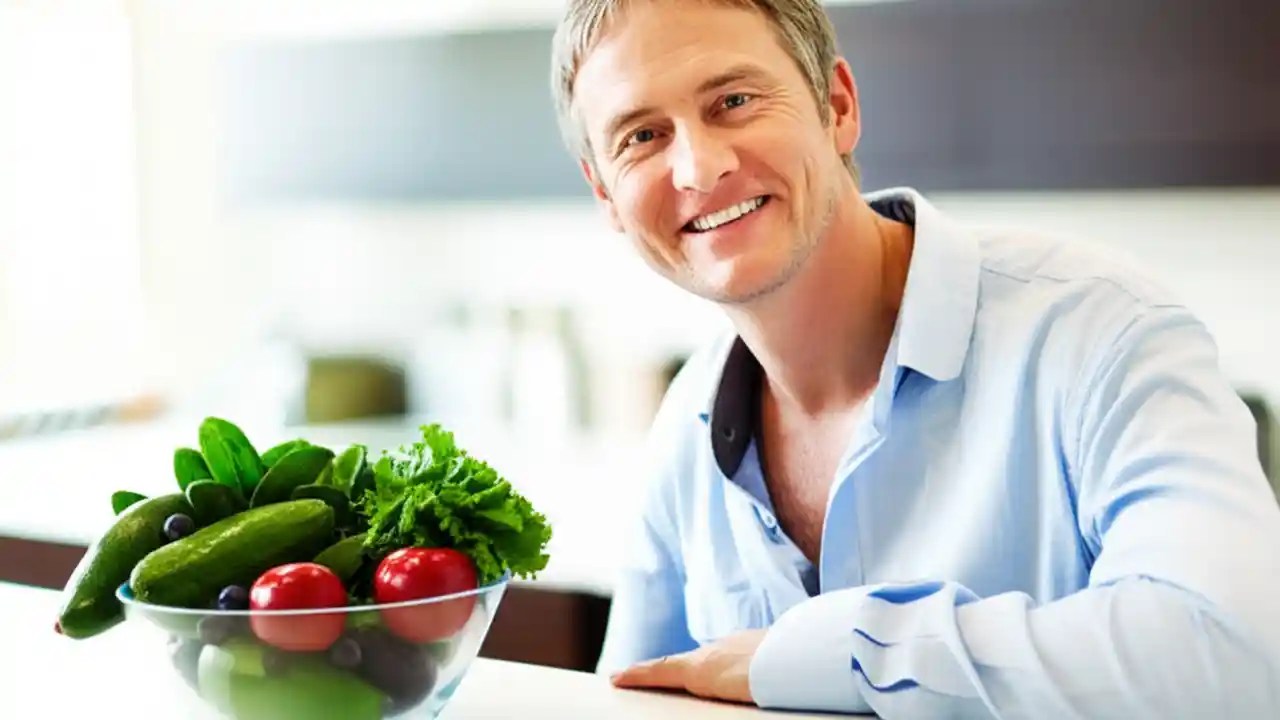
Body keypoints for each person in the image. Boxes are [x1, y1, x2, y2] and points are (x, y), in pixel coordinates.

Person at [548, 0, 1280, 716]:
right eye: (642, 137)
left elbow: (1233, 656)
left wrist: (839, 656)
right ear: (606, 196)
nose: (700, 169)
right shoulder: (686, 423)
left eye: (734, 100)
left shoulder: (1100, 330)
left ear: (836, 106)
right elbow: (633, 702)